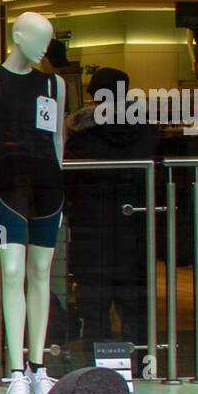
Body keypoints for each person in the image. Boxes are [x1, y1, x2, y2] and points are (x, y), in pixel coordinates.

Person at [64, 67, 160, 346]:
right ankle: (143, 360)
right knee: (134, 298)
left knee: (93, 298)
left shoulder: (84, 134)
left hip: (92, 225)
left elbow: (71, 178)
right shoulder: (146, 131)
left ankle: (98, 362)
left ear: (95, 94)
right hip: (135, 223)